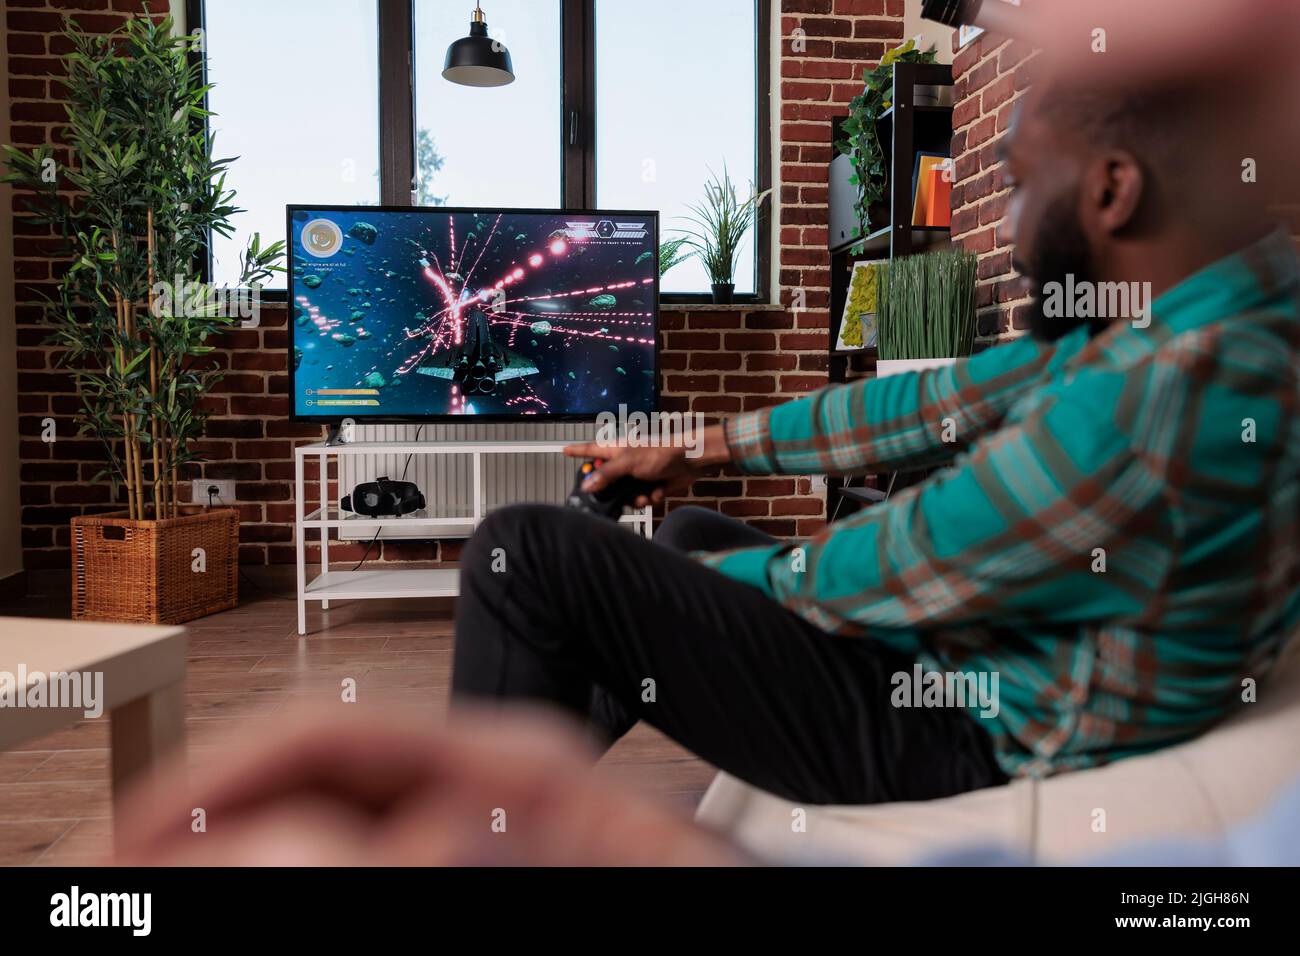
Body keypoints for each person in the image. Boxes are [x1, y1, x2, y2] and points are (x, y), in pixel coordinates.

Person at [451, 63, 1299, 804]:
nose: (1004, 232)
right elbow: (926, 402)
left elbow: (901, 559)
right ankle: (526, 798)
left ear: (1112, 189)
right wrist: (699, 448)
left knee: (527, 554)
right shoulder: (1206, 313)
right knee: (680, 530)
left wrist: (663, 583)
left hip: (969, 733)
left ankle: (457, 833)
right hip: (992, 665)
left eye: (1016, 187)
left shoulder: (1157, 398)